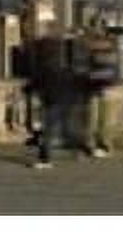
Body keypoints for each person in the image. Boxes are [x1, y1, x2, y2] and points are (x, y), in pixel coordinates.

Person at [26, 34, 72, 169]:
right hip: (59, 99)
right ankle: (46, 155)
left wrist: (28, 89)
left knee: (46, 130)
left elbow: (37, 82)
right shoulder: (58, 64)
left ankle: (45, 159)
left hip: (50, 99)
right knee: (49, 129)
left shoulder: (44, 65)